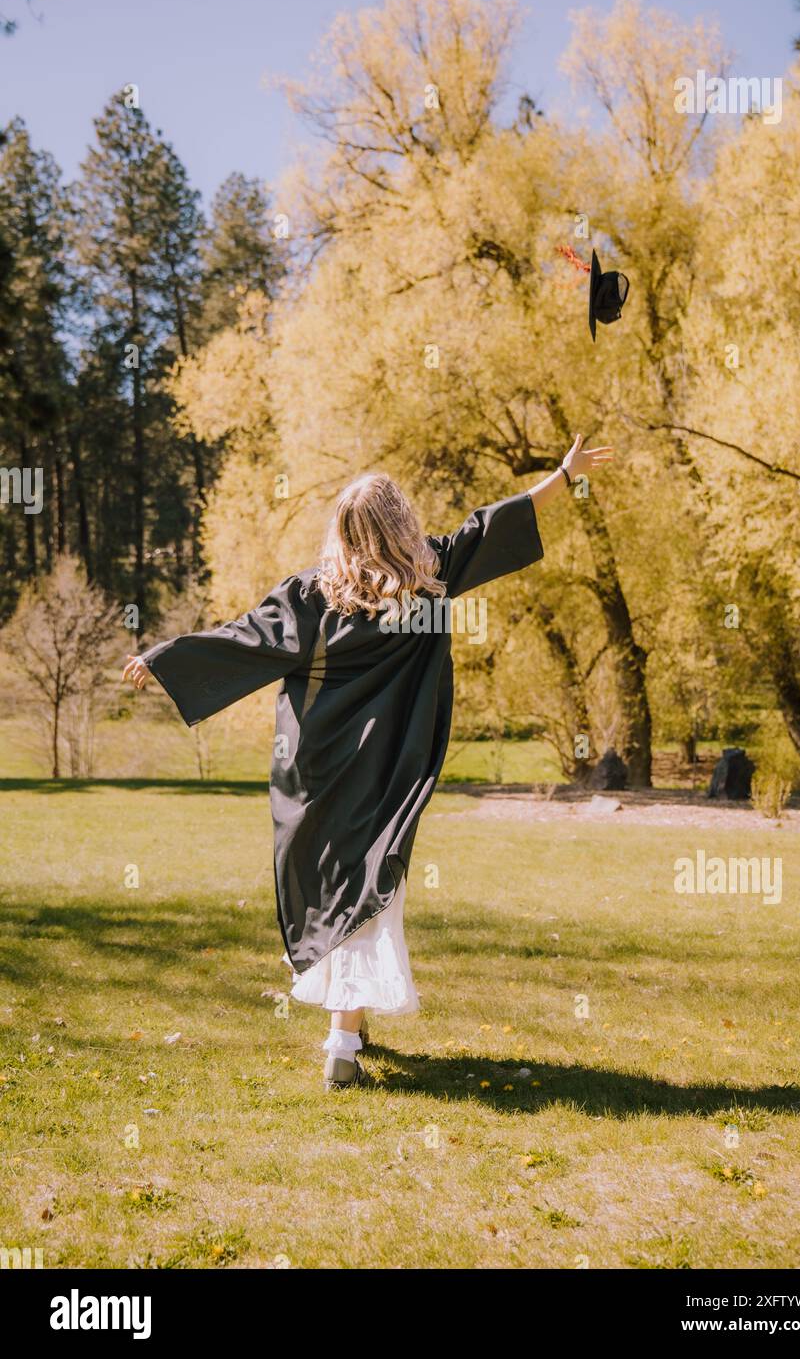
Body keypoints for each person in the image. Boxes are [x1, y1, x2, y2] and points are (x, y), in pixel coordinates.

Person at [122, 433, 614, 1089]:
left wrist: (165, 656)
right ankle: (343, 1040)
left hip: (316, 771)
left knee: (337, 891)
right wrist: (562, 473)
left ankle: (347, 1030)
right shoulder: (432, 578)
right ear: (400, 523)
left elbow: (240, 639)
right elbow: (494, 524)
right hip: (389, 768)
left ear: (343, 532)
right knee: (370, 891)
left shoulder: (310, 596)